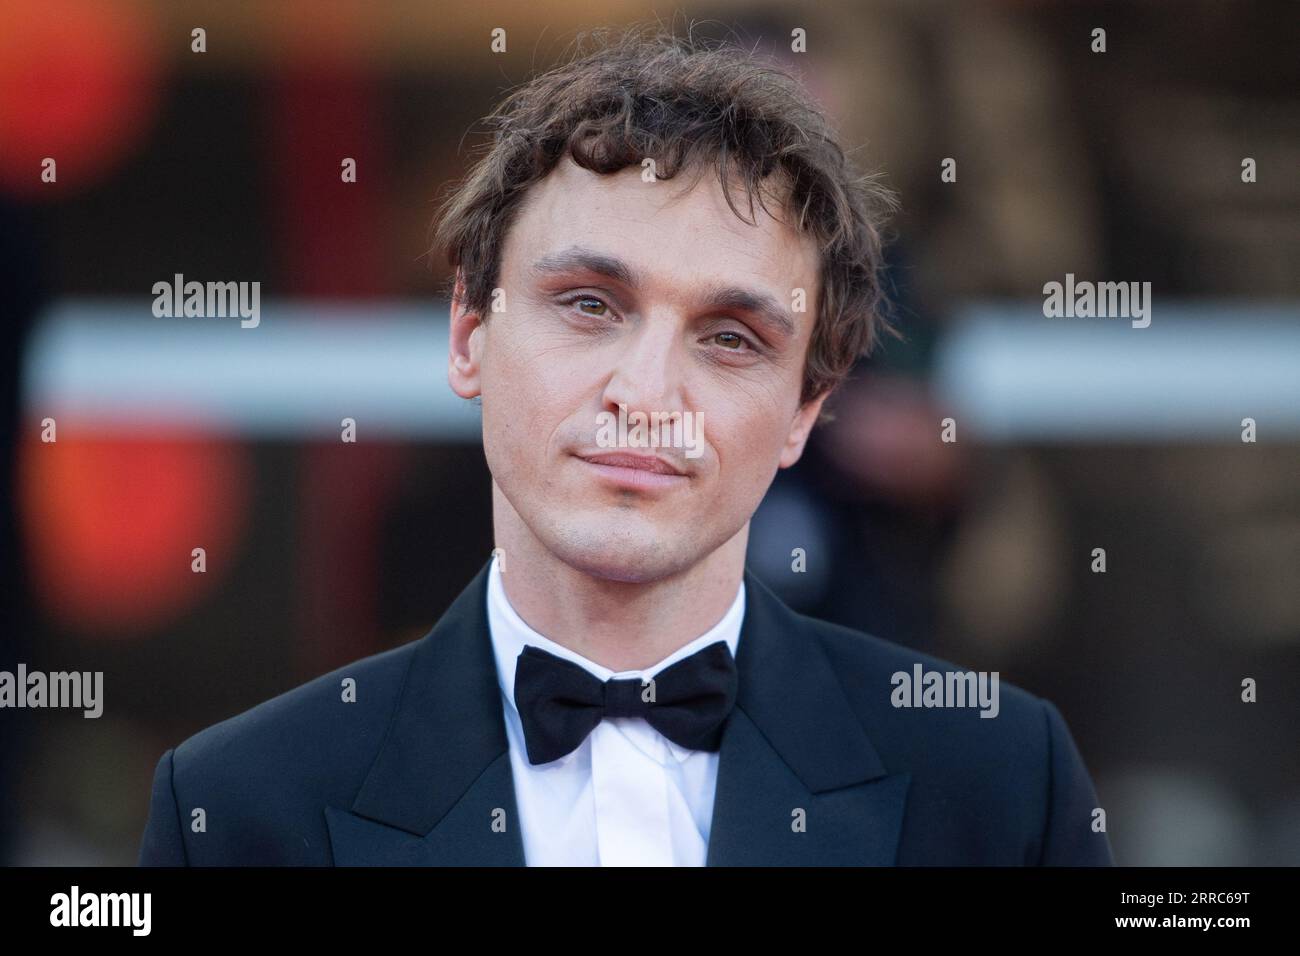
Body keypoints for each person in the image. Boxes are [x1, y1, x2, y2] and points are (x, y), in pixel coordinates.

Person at [139, 24, 1113, 866]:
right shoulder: (237, 805)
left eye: (731, 336)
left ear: (805, 410)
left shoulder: (997, 783)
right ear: (469, 334)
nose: (645, 393)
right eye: (589, 305)